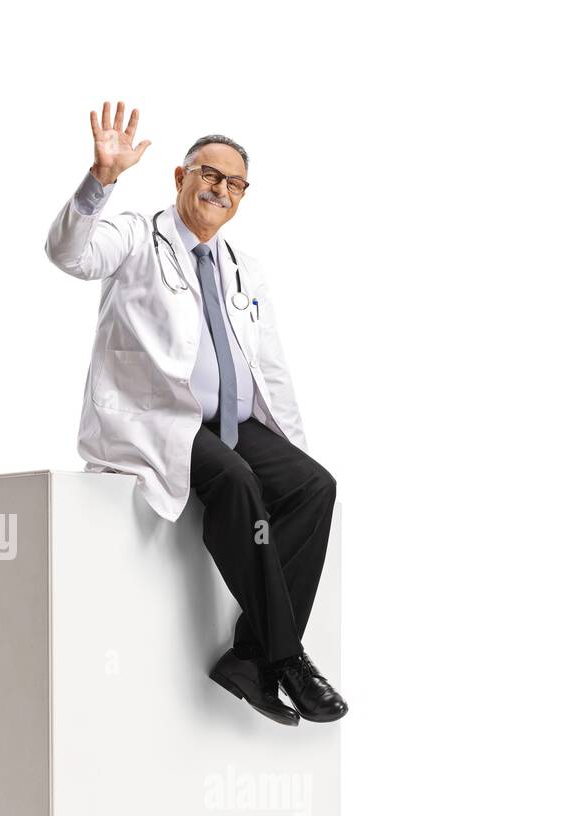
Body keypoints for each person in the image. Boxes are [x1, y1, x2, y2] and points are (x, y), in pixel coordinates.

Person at [44, 101, 347, 726]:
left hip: (234, 424)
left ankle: (247, 658)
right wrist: (100, 179)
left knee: (314, 486)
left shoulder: (243, 267)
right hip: (162, 420)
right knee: (235, 484)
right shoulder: (133, 236)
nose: (220, 190)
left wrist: (292, 448)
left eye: (234, 184)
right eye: (209, 175)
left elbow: (271, 367)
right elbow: (69, 254)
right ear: (180, 178)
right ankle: (285, 659)